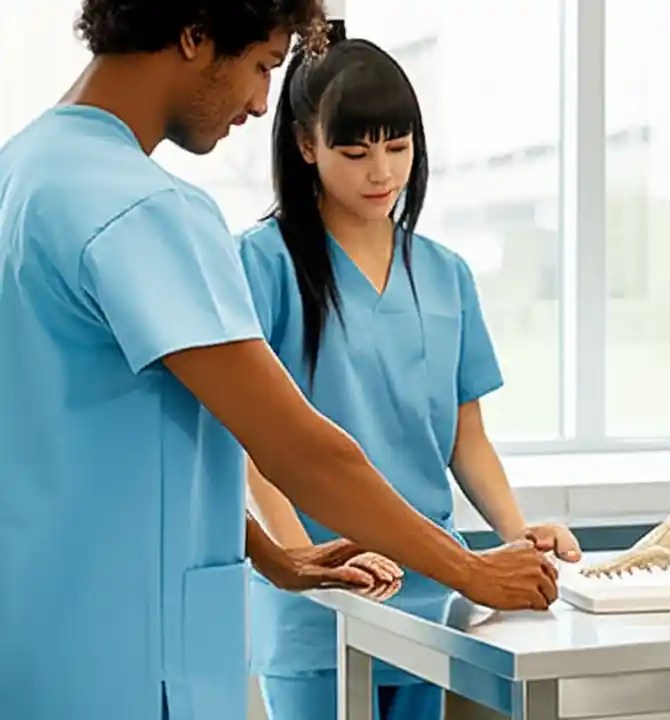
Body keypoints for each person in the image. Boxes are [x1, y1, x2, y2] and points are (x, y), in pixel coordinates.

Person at [0, 3, 557, 720]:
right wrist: (469, 570)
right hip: (130, 659)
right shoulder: (147, 212)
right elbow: (301, 452)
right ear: (195, 34)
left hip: (37, 643)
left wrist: (269, 553)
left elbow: (90, 444)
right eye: (262, 65)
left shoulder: (22, 173)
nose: (261, 100)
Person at [238, 28, 583, 720]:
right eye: (355, 150)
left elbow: (465, 438)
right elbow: (251, 443)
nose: (380, 172)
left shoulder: (446, 275)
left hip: (430, 595)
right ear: (307, 146)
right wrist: (308, 565)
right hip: (317, 609)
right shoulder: (264, 264)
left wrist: (518, 535)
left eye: (398, 147)